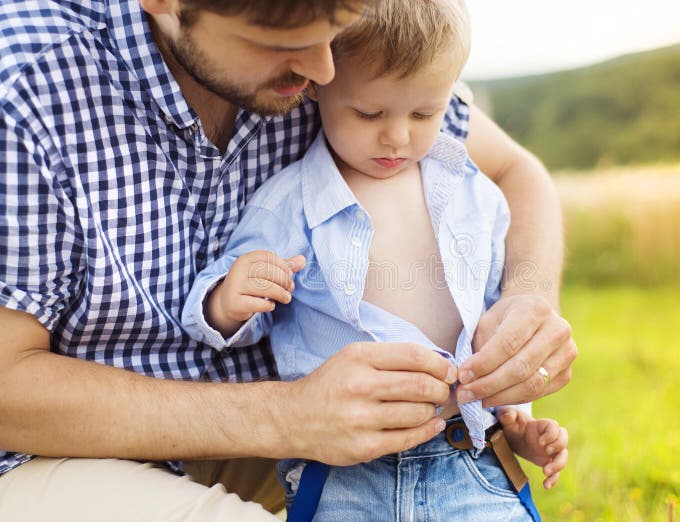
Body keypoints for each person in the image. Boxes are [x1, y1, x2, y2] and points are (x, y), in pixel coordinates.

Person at [0, 0, 576, 519]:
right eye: (283, 40)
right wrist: (286, 415)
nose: (325, 70)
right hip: (51, 453)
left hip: (280, 445)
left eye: (335, 28)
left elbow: (515, 171)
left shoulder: (338, 70)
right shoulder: (27, 83)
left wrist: (530, 297)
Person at [182, 1, 567, 520]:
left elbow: (496, 317)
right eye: (368, 114)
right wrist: (227, 301)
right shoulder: (289, 202)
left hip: (469, 458)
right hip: (345, 472)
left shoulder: (471, 191)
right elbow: (224, 307)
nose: (397, 137)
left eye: (424, 114)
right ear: (316, 85)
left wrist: (515, 417)